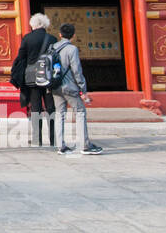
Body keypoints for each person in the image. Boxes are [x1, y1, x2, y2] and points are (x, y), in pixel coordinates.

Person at [53, 23, 104, 156]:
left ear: (60, 34)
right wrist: (83, 89)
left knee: (60, 114)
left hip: (55, 86)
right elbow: (77, 70)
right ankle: (85, 145)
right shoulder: (72, 49)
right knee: (80, 112)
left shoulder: (52, 47)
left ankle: (60, 146)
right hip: (69, 87)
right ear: (74, 36)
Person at [11, 12, 57, 147]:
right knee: (51, 108)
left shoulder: (27, 38)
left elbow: (21, 56)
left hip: (32, 77)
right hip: (48, 77)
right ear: (44, 24)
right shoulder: (52, 39)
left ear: (33, 25)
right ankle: (54, 139)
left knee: (36, 108)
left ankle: (37, 139)